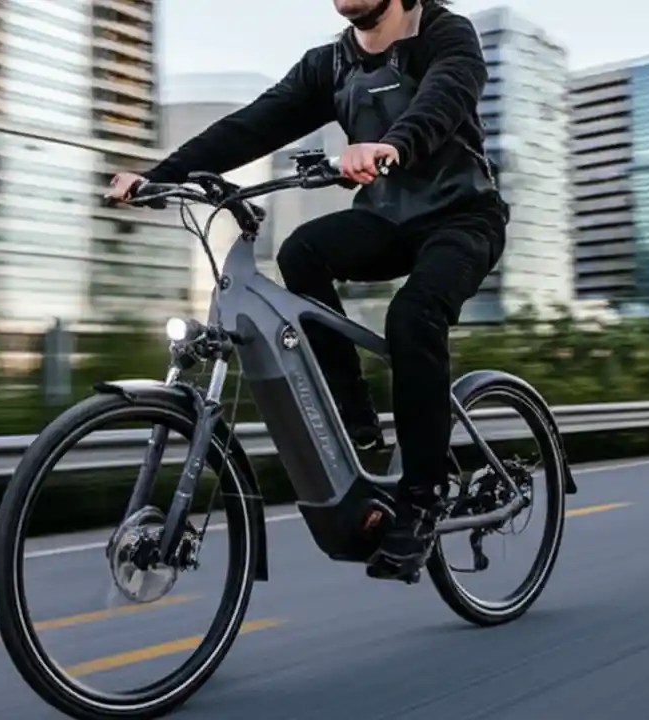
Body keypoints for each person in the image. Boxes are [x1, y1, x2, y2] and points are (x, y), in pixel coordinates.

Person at [105, 0, 507, 582]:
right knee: (301, 251)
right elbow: (250, 125)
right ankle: (356, 415)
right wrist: (158, 178)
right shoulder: (331, 65)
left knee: (413, 316)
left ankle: (422, 497)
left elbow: (440, 102)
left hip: (464, 220)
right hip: (389, 221)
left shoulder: (447, 35)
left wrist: (392, 145)